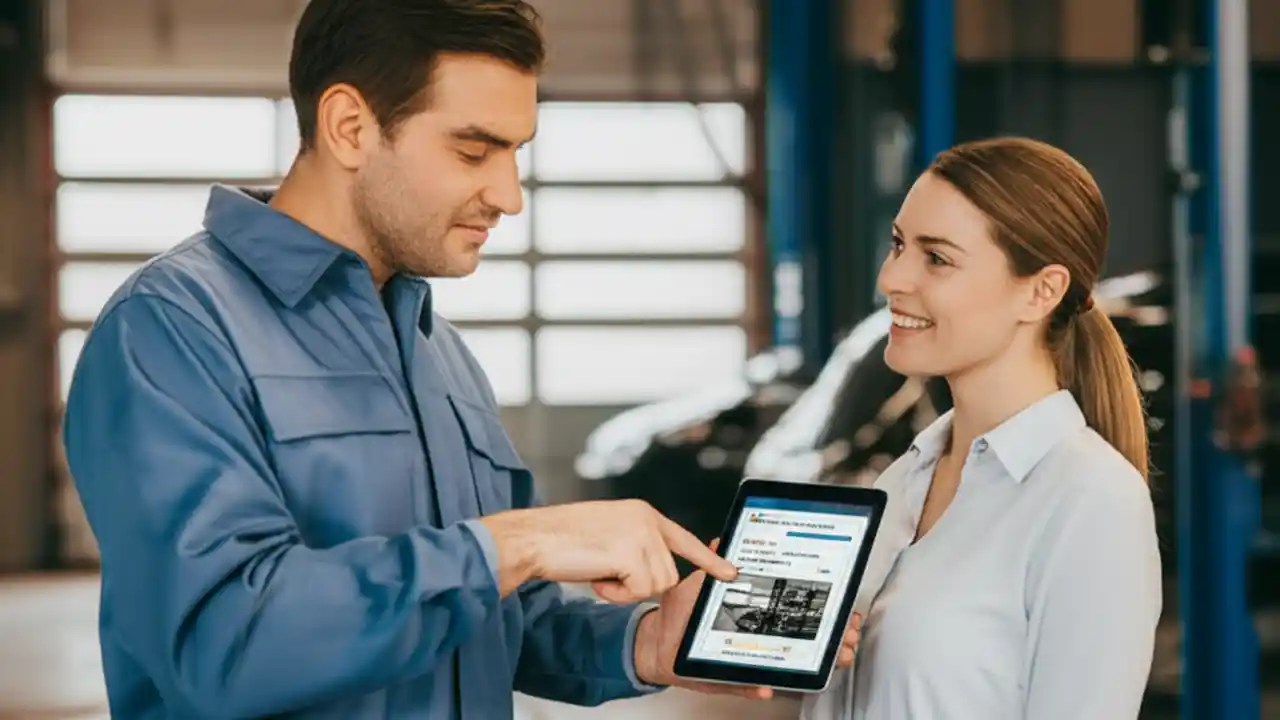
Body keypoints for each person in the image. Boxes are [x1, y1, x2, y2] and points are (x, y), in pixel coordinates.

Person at [60, 1, 861, 718]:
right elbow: (223, 644)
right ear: (349, 126)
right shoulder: (172, 329)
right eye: (475, 151)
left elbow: (492, 617)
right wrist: (523, 541)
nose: (510, 195)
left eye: (516, 152)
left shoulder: (436, 351)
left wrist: (646, 642)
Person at [802, 137, 1162, 720]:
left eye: (936, 258)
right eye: (898, 244)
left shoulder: (1091, 501)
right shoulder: (902, 481)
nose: (892, 277)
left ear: (1042, 291)